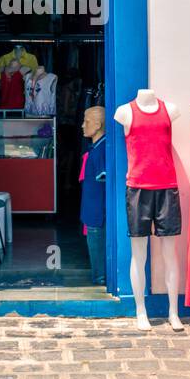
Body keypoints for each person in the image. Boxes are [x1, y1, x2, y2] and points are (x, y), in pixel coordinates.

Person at [79, 106, 108, 286]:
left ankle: (100, 279)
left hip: (97, 214)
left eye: (87, 121)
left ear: (97, 125)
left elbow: (104, 183)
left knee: (97, 255)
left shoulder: (101, 150)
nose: (82, 125)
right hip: (92, 211)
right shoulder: (97, 147)